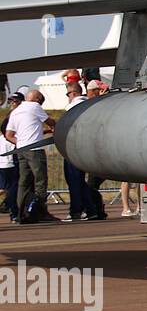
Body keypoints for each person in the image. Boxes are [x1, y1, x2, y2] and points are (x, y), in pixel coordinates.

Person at [3, 90, 57, 222]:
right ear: (38, 100)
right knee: (40, 180)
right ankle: (40, 211)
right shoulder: (35, 106)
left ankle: (21, 213)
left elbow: (9, 135)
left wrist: (21, 142)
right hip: (35, 149)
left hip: (21, 150)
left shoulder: (16, 111)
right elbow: (50, 122)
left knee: (24, 182)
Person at [80, 81, 109, 220]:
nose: (100, 92)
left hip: (98, 153)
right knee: (91, 184)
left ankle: (97, 210)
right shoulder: (89, 105)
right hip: (94, 152)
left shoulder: (95, 104)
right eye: (98, 90)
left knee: (92, 183)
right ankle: (97, 209)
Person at [61, 82, 90, 220]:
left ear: (73, 93)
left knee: (74, 180)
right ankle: (91, 207)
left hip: (72, 148)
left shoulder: (72, 107)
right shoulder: (90, 104)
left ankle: (76, 210)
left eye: (68, 94)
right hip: (86, 149)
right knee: (81, 180)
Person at [0, 92, 22, 223]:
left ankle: (12, 209)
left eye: (14, 101)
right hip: (9, 159)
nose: (12, 103)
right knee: (12, 187)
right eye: (11, 101)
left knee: (6, 188)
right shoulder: (13, 117)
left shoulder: (14, 116)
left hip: (5, 158)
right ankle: (13, 212)